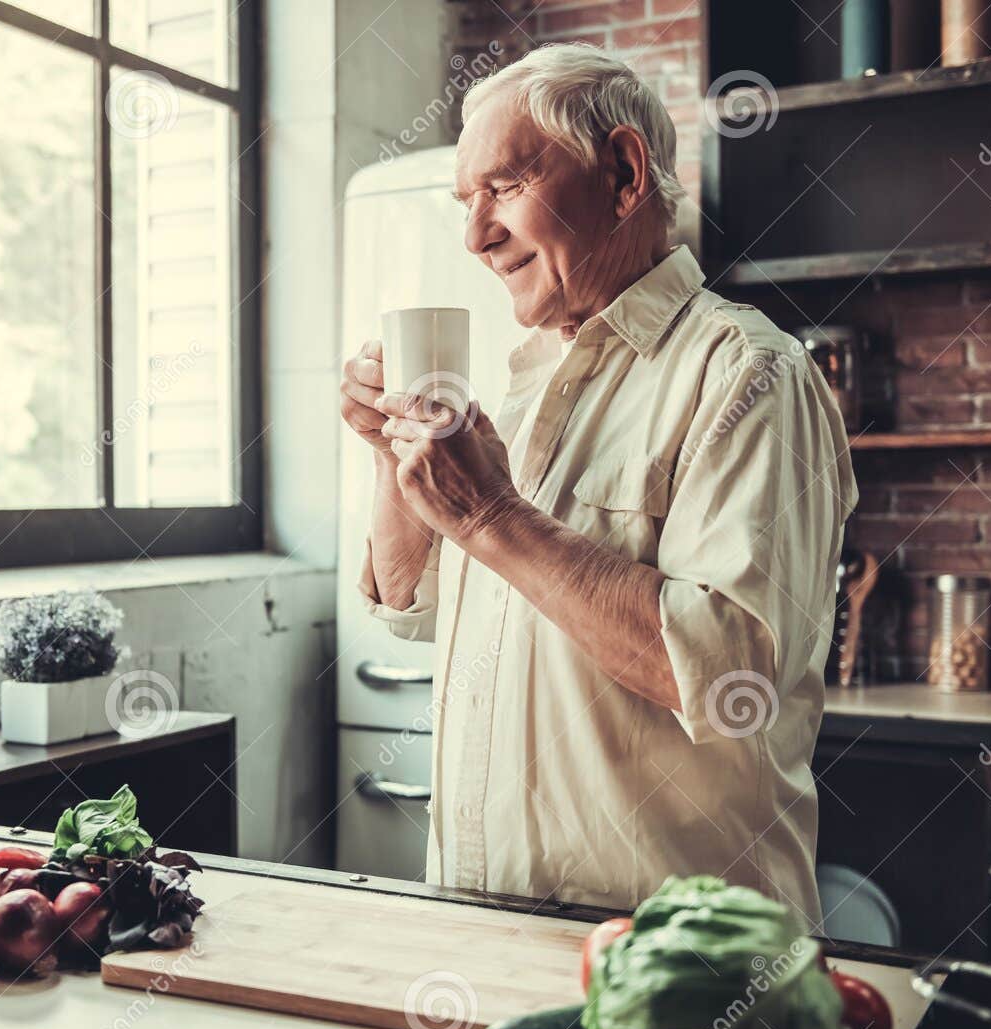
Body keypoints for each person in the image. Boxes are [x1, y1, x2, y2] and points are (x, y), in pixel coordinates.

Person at [340, 43, 857, 924]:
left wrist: (496, 515)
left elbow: (732, 683)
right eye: (466, 204)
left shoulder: (750, 376)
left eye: (502, 188)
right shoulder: (517, 380)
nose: (476, 236)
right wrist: (396, 459)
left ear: (622, 173)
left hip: (676, 962)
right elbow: (408, 604)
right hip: (480, 927)